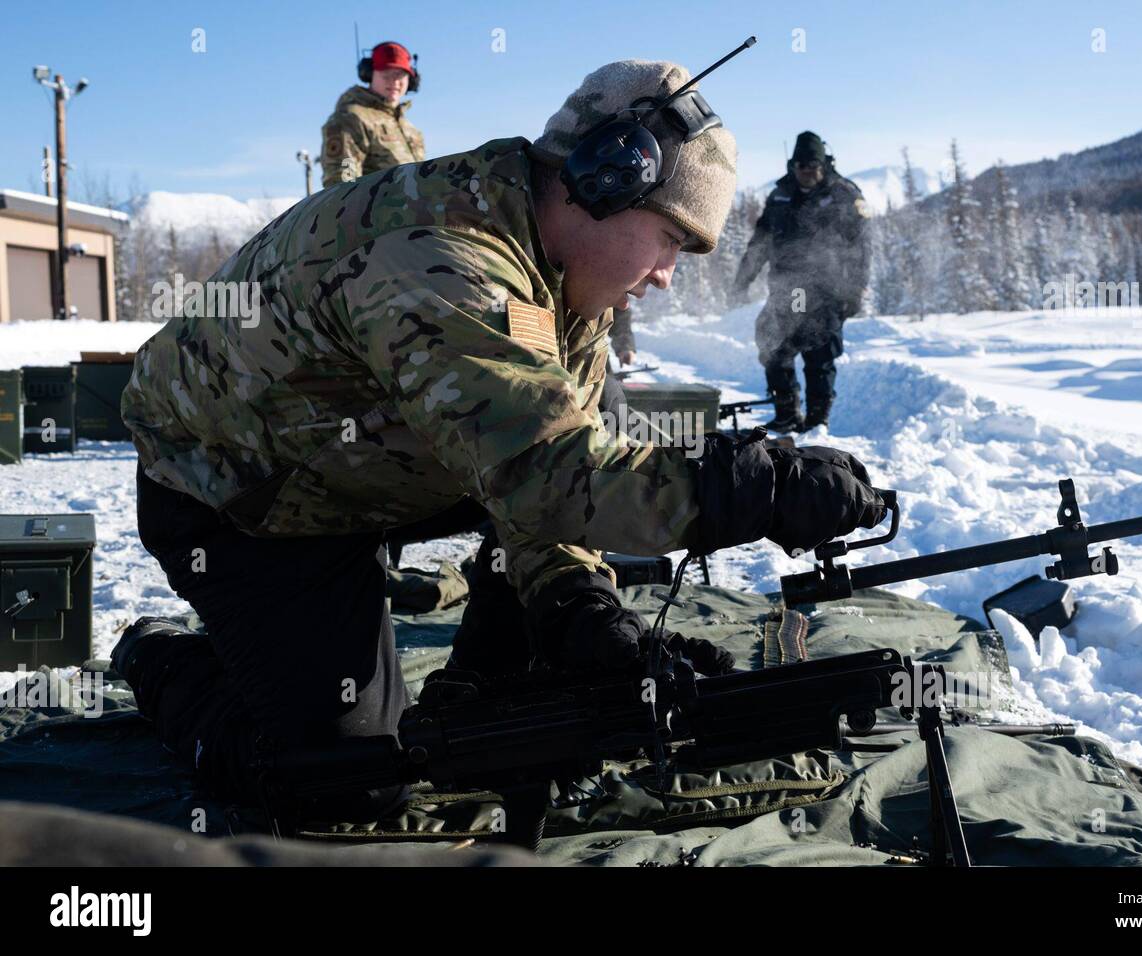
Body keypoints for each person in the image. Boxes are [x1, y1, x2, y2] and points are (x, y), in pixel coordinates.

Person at [114, 61, 885, 823]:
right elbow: (550, 474)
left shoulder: (557, 273)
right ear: (607, 180)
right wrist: (759, 488)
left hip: (388, 458)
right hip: (247, 501)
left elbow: (556, 448)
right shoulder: (441, 254)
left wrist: (575, 602)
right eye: (671, 241)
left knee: (587, 462)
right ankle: (161, 658)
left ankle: (489, 672)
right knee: (343, 778)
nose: (665, 277)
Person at [732, 131, 870, 432]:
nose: (807, 172)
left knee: (819, 353)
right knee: (772, 343)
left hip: (828, 290)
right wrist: (742, 281)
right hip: (788, 288)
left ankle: (817, 421)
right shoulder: (780, 195)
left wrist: (858, 288)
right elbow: (760, 243)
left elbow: (861, 247)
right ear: (792, 165)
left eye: (813, 165)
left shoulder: (844, 195)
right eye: (801, 166)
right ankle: (787, 413)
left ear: (824, 164)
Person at [320, 40, 426, 187]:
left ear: (411, 79)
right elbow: (341, 184)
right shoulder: (352, 118)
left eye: (400, 74)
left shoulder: (411, 130)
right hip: (370, 209)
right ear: (370, 74)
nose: (394, 81)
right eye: (386, 73)